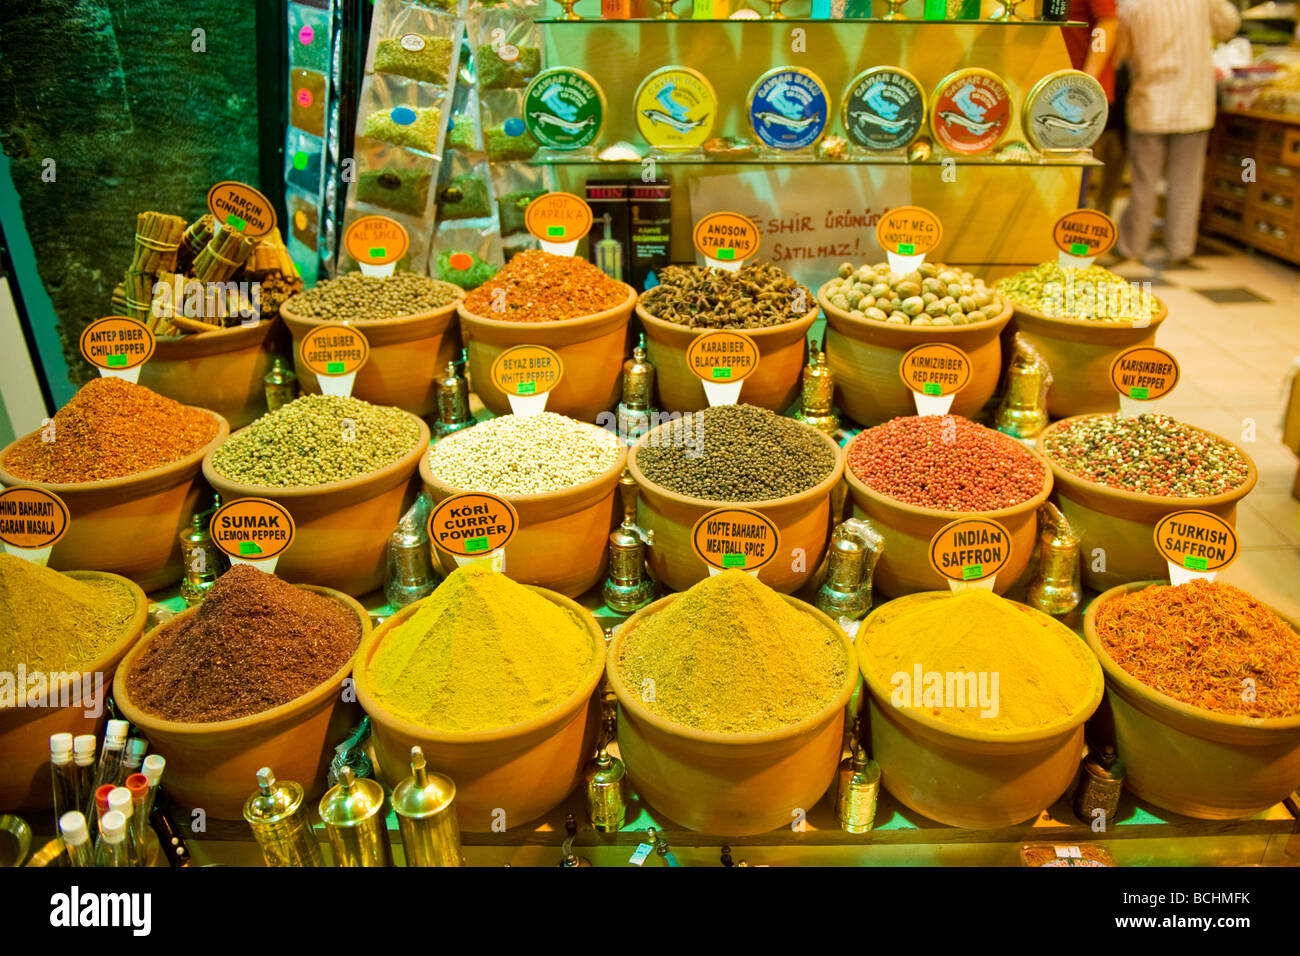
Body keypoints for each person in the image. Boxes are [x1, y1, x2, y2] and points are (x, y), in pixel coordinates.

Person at [1116, 0, 1241, 268]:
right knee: (1186, 182)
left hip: (1150, 101)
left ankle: (1132, 246)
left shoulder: (1131, 4)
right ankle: (1180, 248)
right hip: (1194, 102)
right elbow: (1229, 24)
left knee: (1143, 181)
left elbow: (1119, 52)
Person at [1064, 0, 1120, 209]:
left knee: (1073, 178)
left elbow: (1108, 22)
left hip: (1078, 94)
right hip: (1058, 89)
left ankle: (1072, 241)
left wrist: (1087, 82)